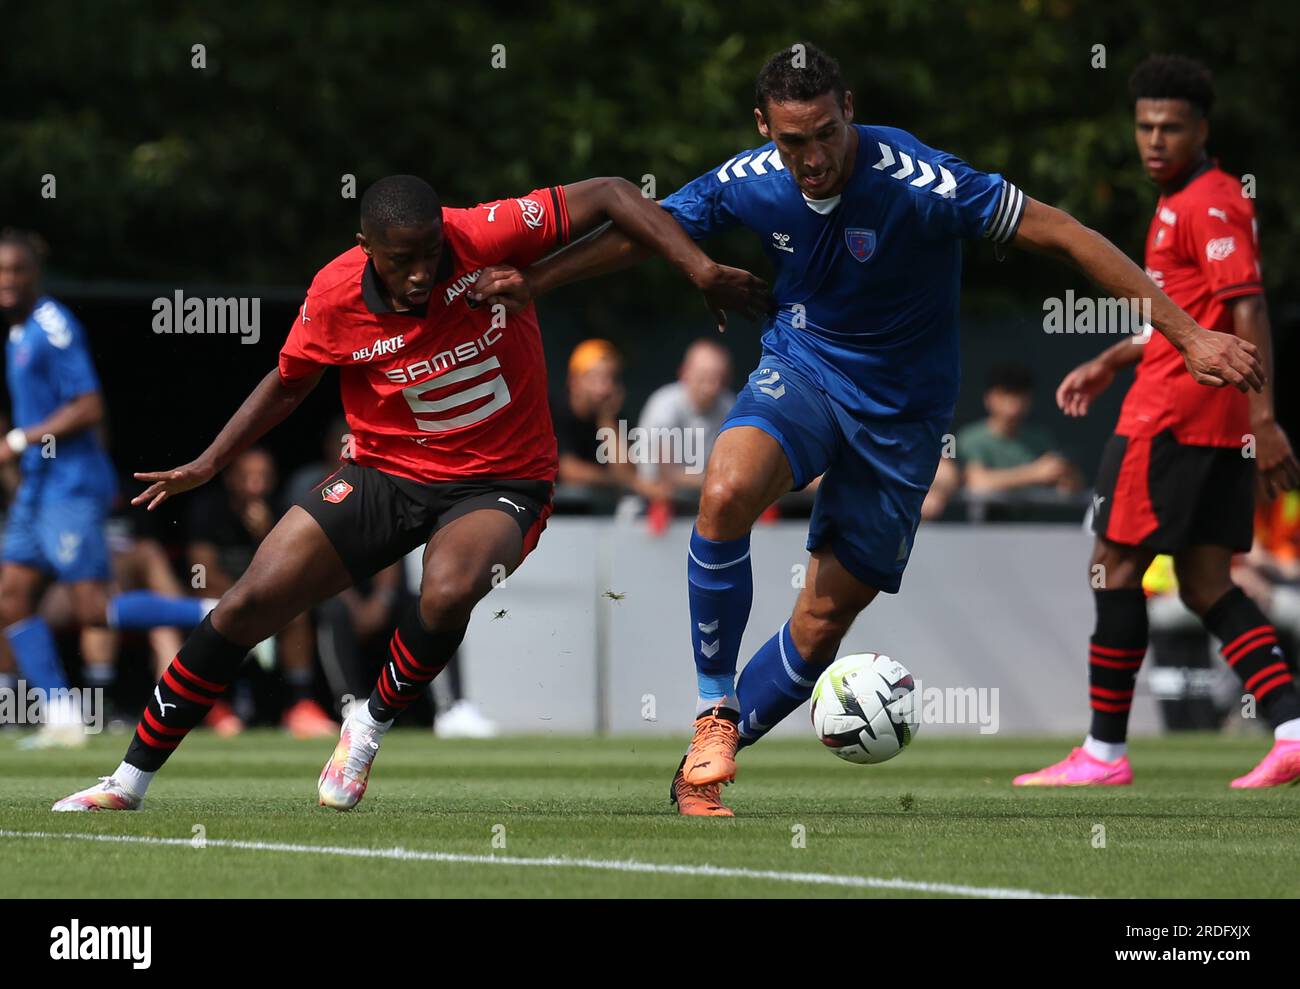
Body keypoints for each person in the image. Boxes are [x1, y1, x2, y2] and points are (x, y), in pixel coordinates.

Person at [495, 43, 1264, 816]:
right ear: (764, 127)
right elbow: (644, 228)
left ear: (849, 110)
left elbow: (1064, 234)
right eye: (792, 140)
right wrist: (533, 283)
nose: (812, 156)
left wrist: (1189, 335)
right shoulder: (752, 180)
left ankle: (702, 768)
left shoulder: (921, 181)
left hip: (903, 418)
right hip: (804, 370)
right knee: (725, 488)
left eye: (826, 133)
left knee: (824, 616)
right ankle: (712, 714)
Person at [51, 171, 766, 811]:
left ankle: (367, 723)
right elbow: (288, 382)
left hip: (502, 478)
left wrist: (695, 267)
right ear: (364, 245)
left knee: (449, 587)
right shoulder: (334, 294)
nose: (423, 271)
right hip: (384, 473)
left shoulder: (483, 232)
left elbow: (613, 192)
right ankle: (127, 779)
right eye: (402, 259)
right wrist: (211, 460)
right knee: (247, 603)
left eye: (431, 253)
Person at [1015, 55, 1300, 788]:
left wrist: (1265, 420)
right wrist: (1113, 357)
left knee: (1112, 567)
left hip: (1170, 419)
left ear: (1201, 129)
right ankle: (1294, 728)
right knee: (1207, 580)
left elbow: (1249, 307)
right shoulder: (1186, 199)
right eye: (1145, 125)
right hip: (1205, 418)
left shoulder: (1206, 200)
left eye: (1171, 126)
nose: (1155, 140)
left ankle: (1103, 753)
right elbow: (1195, 317)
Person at [0, 230, 214, 747]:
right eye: (0, 273)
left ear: (35, 275)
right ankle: (61, 714)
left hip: (69, 487)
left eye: (16, 272)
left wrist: (19, 439)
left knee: (91, 609)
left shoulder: (54, 327)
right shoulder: (18, 331)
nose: (6, 282)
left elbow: (90, 406)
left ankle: (215, 612)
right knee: (9, 595)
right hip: (38, 487)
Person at [186, 448, 337, 738]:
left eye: (263, 478)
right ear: (231, 479)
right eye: (248, 477)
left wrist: (266, 532)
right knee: (205, 612)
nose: (256, 486)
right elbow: (200, 574)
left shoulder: (284, 511)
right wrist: (243, 599)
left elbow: (294, 571)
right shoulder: (207, 509)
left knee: (298, 610)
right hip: (219, 598)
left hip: (266, 599)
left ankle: (300, 704)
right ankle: (213, 707)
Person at [552, 339, 673, 507]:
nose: (605, 388)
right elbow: (569, 471)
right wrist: (626, 482)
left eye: (611, 378)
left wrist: (606, 420)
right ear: (574, 381)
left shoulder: (612, 416)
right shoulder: (555, 412)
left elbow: (627, 471)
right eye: (596, 378)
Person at [957, 362, 1082, 502]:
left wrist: (1065, 475)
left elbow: (1071, 485)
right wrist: (1035, 473)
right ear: (989, 398)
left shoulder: (1039, 438)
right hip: (983, 523)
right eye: (1006, 394)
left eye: (1020, 395)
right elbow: (978, 483)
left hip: (1033, 522)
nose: (1014, 402)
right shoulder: (971, 438)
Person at [635, 338, 735, 492]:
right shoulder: (664, 404)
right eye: (704, 377)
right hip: (653, 506)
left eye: (719, 378)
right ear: (684, 373)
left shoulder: (729, 405)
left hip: (707, 498)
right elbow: (667, 473)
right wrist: (724, 480)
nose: (712, 387)